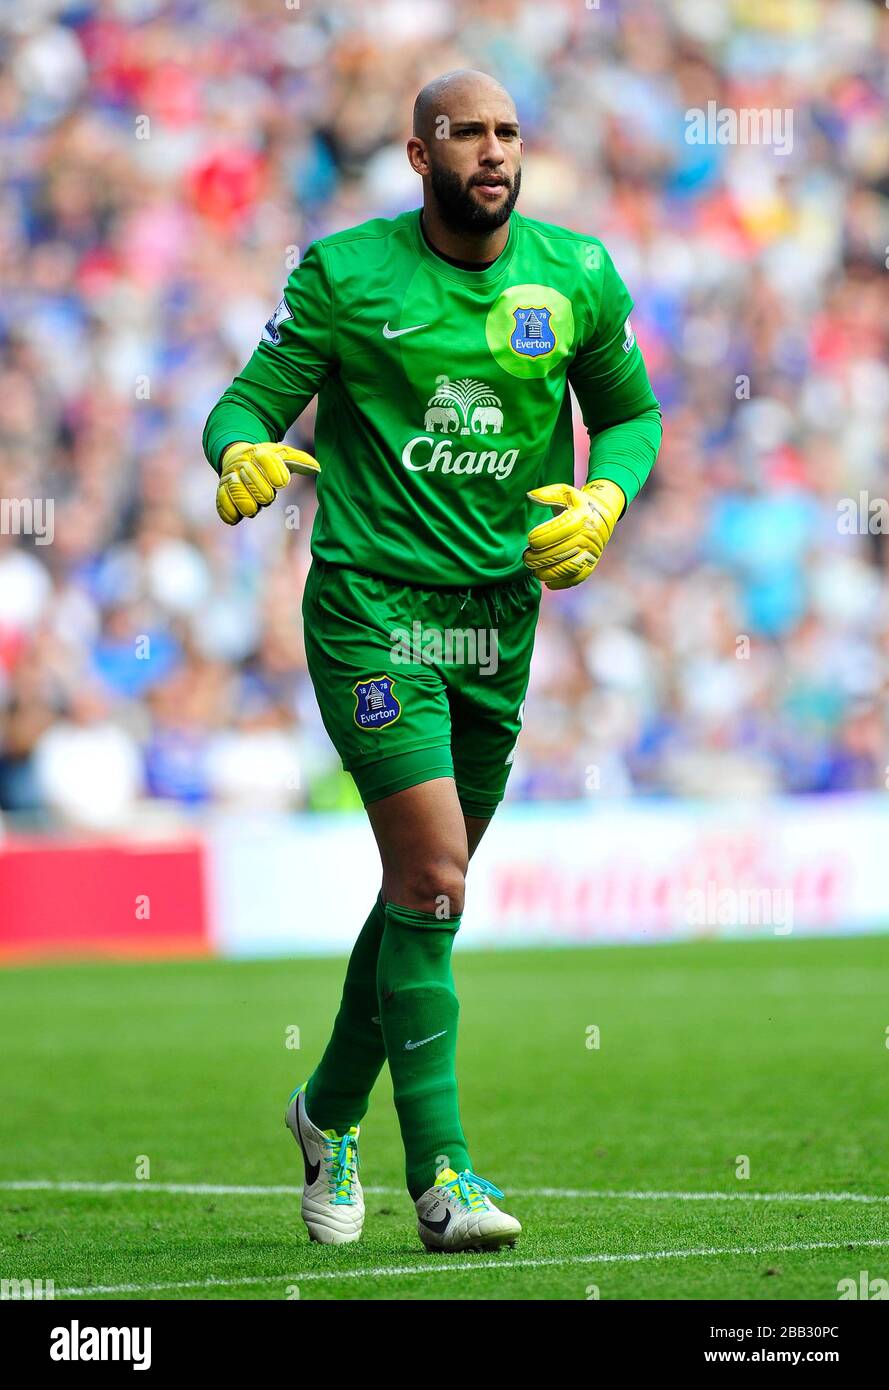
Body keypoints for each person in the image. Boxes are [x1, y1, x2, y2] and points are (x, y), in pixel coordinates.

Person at [202, 69, 662, 1253]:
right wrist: (242, 456)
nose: (493, 150)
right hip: (371, 612)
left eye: (508, 132)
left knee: (425, 890)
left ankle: (326, 1113)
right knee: (436, 876)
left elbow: (632, 414)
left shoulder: (577, 275)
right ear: (420, 155)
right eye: (467, 133)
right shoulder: (346, 275)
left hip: (498, 626)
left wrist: (606, 493)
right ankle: (444, 1174)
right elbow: (244, 405)